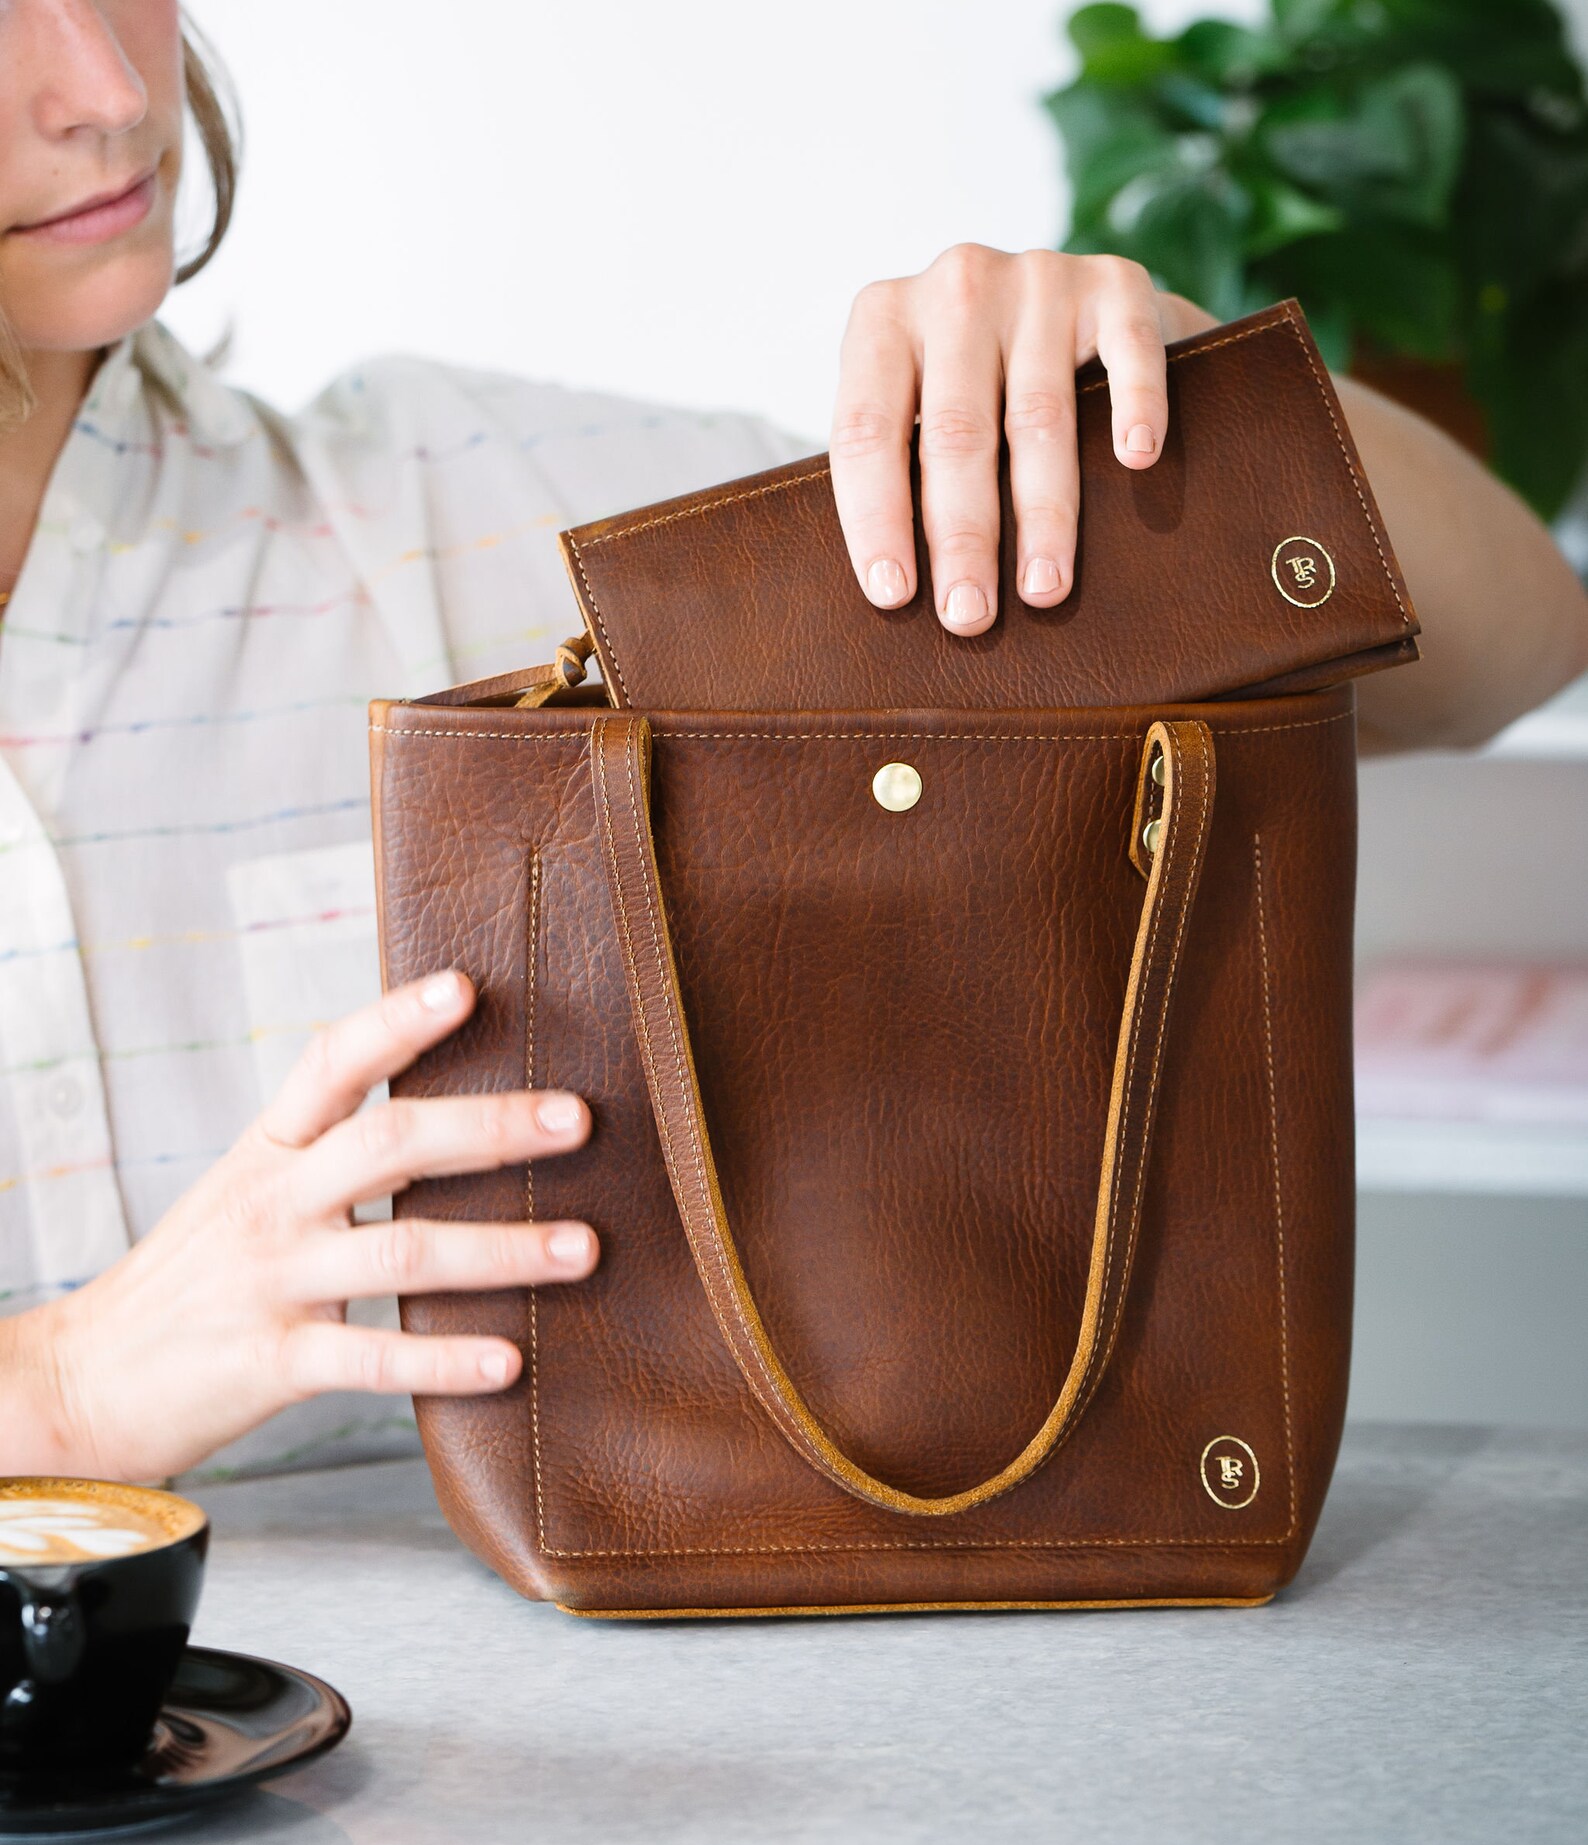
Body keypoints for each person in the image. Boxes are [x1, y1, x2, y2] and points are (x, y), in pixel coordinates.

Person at [2, 1, 1585, 1488]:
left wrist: (1179, 392)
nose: (112, 90)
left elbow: (1504, 650)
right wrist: (57, 1389)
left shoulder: (480, 512)